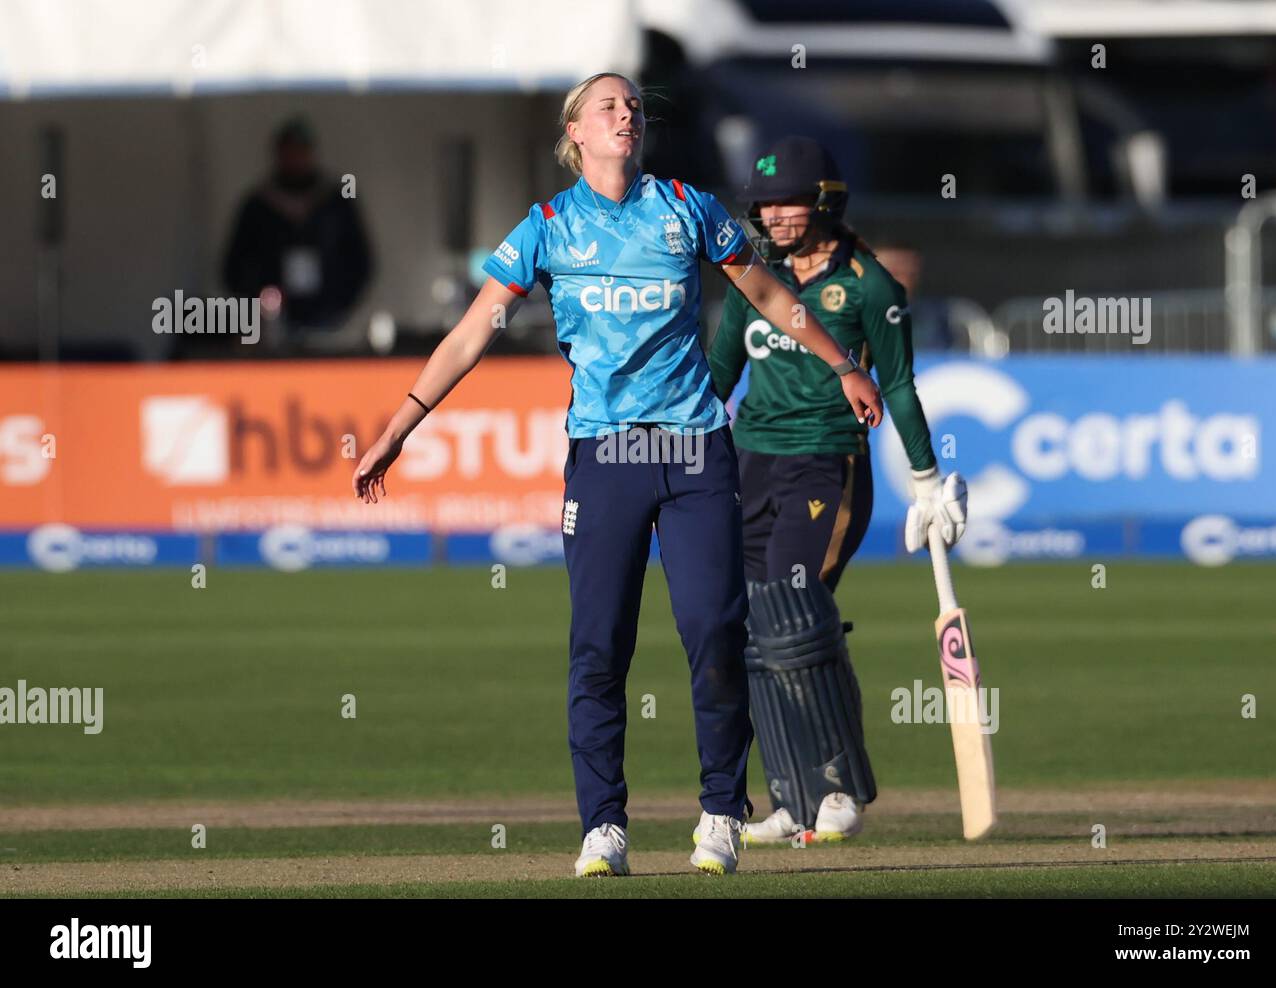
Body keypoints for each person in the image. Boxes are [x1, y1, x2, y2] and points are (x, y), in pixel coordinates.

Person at [351, 78, 883, 877]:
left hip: (695, 449)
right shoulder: (549, 227)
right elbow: (470, 334)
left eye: (633, 105)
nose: (626, 114)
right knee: (599, 647)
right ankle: (604, 827)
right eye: (608, 106)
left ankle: (719, 812)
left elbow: (768, 290)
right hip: (606, 457)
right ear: (576, 131)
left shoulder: (686, 209)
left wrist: (842, 362)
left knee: (713, 630)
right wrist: (399, 427)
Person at [707, 136, 967, 844]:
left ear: (824, 200)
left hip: (827, 466)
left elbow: (901, 386)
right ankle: (790, 800)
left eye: (786, 200)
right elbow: (720, 375)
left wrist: (926, 480)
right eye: (763, 203)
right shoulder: (754, 278)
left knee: (798, 613)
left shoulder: (867, 285)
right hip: (750, 464)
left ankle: (842, 786)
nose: (773, 214)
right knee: (755, 628)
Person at [222, 115, 372, 345]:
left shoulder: (337, 199)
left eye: (300, 150)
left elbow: (361, 260)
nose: (295, 158)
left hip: (330, 320)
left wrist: (340, 301)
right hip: (273, 322)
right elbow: (233, 267)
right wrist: (256, 298)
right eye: (289, 151)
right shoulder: (258, 204)